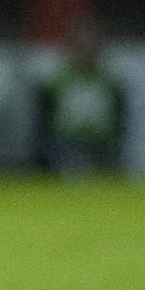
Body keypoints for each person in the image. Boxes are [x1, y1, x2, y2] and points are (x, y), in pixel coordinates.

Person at [37, 17, 126, 173]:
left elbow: (120, 117)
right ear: (71, 49)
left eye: (91, 47)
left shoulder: (109, 82)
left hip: (102, 146)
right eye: (81, 47)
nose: (86, 52)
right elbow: (44, 119)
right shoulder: (56, 82)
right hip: (66, 145)